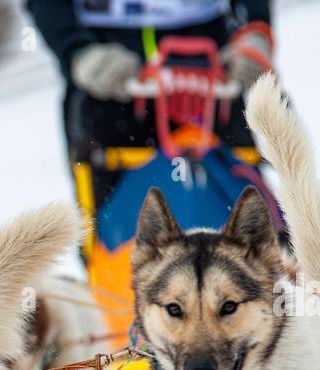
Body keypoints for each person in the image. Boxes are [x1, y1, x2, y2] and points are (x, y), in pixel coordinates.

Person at [26, 1, 273, 232]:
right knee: (115, 238)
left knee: (249, 229)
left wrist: (254, 26)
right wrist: (75, 48)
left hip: (213, 63)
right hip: (108, 75)